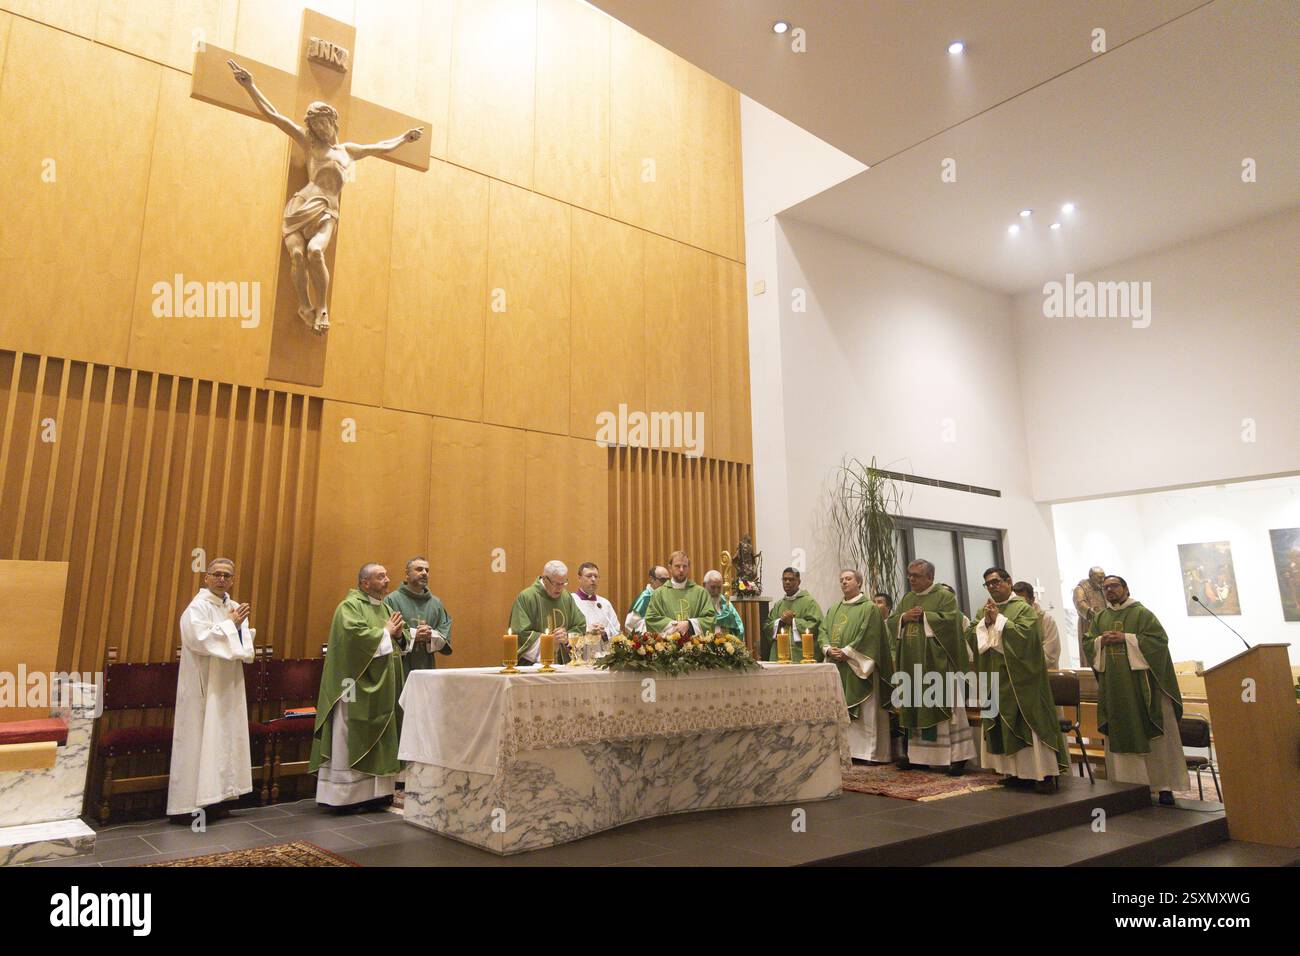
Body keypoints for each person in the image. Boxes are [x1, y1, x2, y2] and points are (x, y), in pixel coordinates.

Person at [226, 59, 422, 333]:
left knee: (315, 252)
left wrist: (404, 138)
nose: (319, 128)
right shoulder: (309, 144)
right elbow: (275, 116)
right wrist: (250, 86)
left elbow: (380, 147)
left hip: (327, 209)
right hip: (302, 204)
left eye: (323, 122)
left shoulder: (348, 151)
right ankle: (305, 304)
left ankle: (322, 307)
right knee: (297, 255)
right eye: (315, 125)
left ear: (332, 122)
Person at [310, 563, 405, 812]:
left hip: (381, 685)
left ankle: (377, 793)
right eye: (380, 576)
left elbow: (393, 637)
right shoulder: (348, 606)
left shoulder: (384, 606)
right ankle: (345, 796)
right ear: (364, 583)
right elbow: (352, 638)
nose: (387, 580)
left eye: (386, 575)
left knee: (381, 734)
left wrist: (400, 635)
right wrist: (385, 632)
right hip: (352, 685)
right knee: (348, 733)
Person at [167, 558, 255, 822]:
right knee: (199, 737)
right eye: (216, 574)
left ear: (232, 580)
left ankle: (218, 798)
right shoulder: (197, 608)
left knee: (224, 737)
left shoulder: (235, 607)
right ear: (206, 578)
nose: (221, 579)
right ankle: (188, 805)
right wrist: (230, 626)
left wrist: (239, 629)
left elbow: (244, 643)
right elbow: (198, 640)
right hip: (203, 686)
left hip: (227, 684)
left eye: (227, 575)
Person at [1084, 575, 1185, 806]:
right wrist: (1100, 641)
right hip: (1115, 688)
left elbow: (1159, 642)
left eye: (1114, 586)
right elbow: (1089, 643)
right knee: (1120, 734)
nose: (1110, 590)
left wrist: (1126, 638)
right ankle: (1126, 787)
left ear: (1126, 588)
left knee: (1154, 735)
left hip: (1143, 688)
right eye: (1106, 587)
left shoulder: (1142, 614)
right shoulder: (1100, 617)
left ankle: (1163, 786)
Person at [973, 568, 1068, 793]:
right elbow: (973, 636)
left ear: (1008, 582)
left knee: (1031, 724)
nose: (992, 586)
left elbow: (1028, 639)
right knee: (1004, 725)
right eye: (988, 584)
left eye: (996, 582)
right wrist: (985, 623)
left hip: (1024, 680)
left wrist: (999, 620)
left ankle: (1043, 774)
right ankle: (1015, 773)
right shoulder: (984, 610)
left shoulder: (1023, 609)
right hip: (997, 677)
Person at [886, 559, 976, 775]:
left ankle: (956, 758)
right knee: (917, 707)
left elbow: (953, 622)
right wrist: (903, 618)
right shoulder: (908, 598)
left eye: (915, 575)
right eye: (909, 575)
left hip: (938, 665)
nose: (911, 579)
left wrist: (926, 616)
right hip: (912, 663)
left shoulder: (944, 597)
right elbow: (892, 621)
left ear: (930, 577)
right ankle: (919, 757)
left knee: (947, 709)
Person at [821, 569, 895, 763]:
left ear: (859, 583)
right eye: (841, 579)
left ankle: (869, 753)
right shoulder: (834, 608)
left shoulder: (869, 608)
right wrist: (828, 648)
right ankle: (847, 751)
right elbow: (823, 630)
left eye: (848, 579)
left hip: (859, 665)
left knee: (866, 711)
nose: (844, 582)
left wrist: (848, 652)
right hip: (839, 665)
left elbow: (869, 634)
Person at [383, 556, 452, 679]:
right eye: (419, 569)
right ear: (407, 574)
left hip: (426, 665)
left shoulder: (436, 603)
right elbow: (385, 634)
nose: (424, 573)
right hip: (400, 666)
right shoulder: (392, 600)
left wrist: (430, 636)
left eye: (427, 570)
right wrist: (414, 635)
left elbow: (445, 633)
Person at [508, 560, 588, 664]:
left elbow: (580, 625)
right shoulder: (527, 597)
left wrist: (567, 637)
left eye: (563, 583)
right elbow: (520, 633)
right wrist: (549, 641)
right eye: (556, 583)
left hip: (562, 666)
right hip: (532, 667)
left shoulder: (566, 597)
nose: (560, 588)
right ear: (545, 579)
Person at [645, 551, 716, 637]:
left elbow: (710, 619)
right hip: (667, 647)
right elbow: (651, 619)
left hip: (695, 647)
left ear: (688, 568)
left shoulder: (701, 593)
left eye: (684, 566)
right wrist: (675, 626)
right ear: (670, 568)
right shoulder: (658, 594)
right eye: (677, 566)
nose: (681, 570)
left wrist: (689, 624)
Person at [762, 567, 823, 662]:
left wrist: (793, 622)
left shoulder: (809, 602)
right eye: (784, 579)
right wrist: (780, 621)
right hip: (779, 657)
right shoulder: (779, 604)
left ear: (799, 582)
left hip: (801, 656)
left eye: (791, 579)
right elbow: (767, 627)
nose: (787, 582)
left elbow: (816, 625)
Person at [573, 561, 620, 659]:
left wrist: (604, 632)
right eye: (589, 576)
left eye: (596, 576)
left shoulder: (604, 603)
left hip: (602, 656)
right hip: (579, 657)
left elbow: (616, 630)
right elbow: (567, 630)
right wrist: (589, 631)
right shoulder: (571, 600)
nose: (593, 579)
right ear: (579, 578)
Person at [1012, 581, 1060, 669]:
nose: (1018, 606)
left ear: (1032, 600)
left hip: (1042, 675)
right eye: (1015, 602)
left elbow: (1050, 657)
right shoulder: (1010, 620)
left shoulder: (1045, 620)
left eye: (1022, 602)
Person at [1073, 566, 1107, 669]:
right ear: (1091, 577)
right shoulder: (1080, 589)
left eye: (1103, 577)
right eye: (1099, 577)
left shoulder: (1103, 588)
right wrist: (1089, 611)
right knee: (1090, 653)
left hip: (1105, 624)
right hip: (1089, 625)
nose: (1102, 580)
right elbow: (1080, 603)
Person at [625, 565, 669, 635]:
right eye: (663, 580)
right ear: (651, 579)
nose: (666, 584)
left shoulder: (668, 597)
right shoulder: (645, 598)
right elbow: (630, 624)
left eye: (668, 580)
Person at [702, 570, 744, 638]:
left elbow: (739, 628)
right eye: (713, 587)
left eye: (719, 587)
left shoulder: (727, 604)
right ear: (704, 585)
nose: (716, 591)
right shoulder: (698, 604)